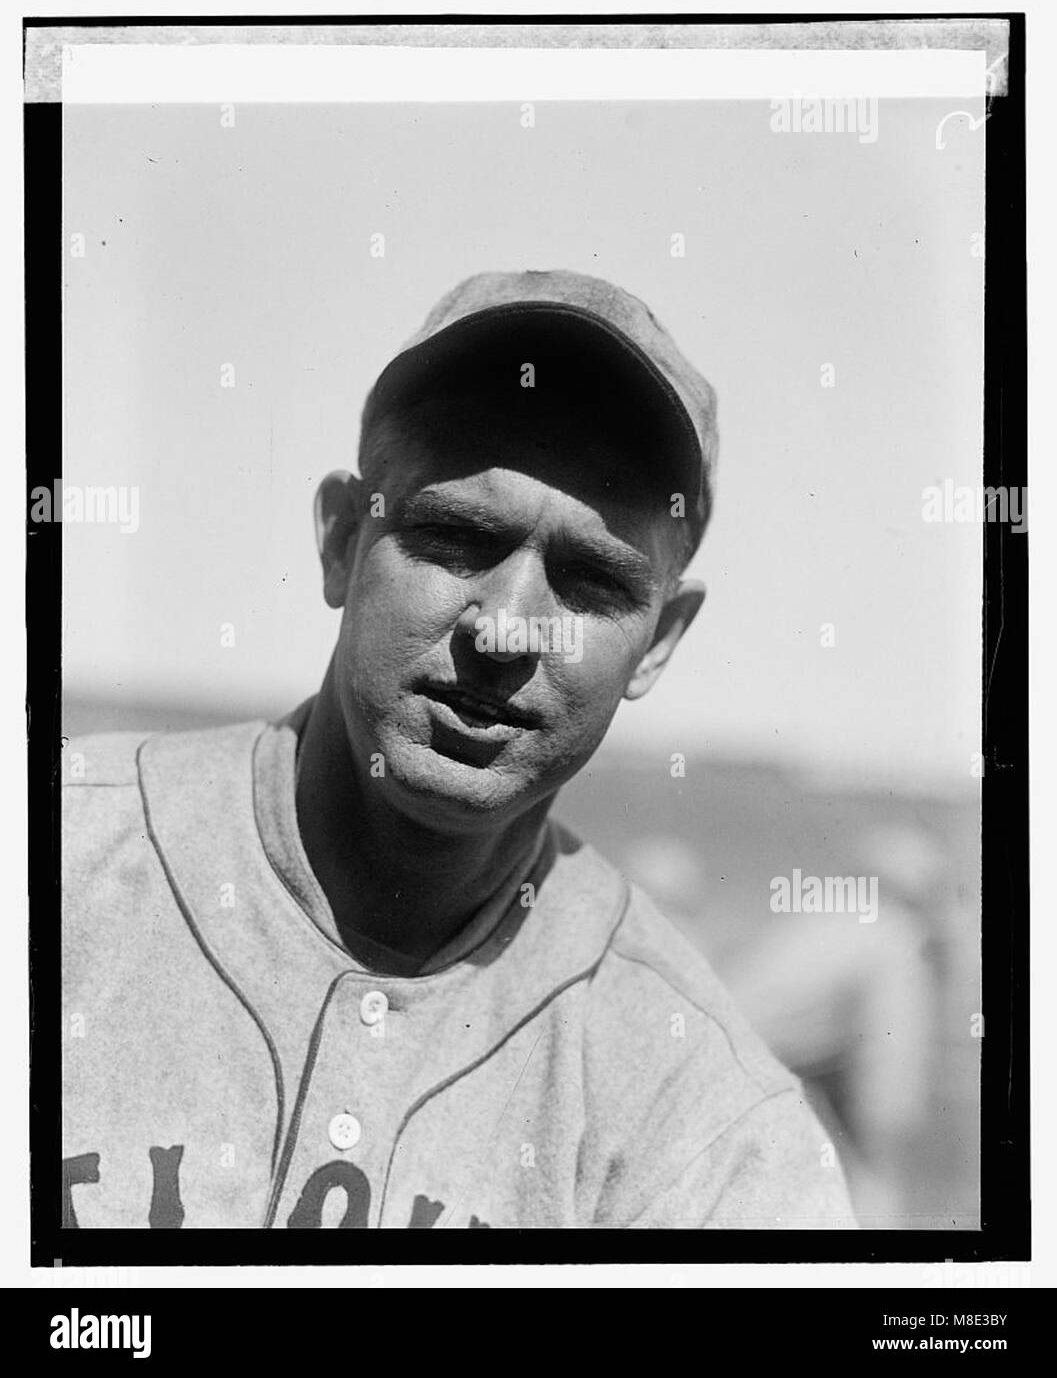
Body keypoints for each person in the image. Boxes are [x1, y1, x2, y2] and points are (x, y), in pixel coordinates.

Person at [61, 270, 857, 1229]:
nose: (508, 630)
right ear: (344, 540)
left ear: (657, 641)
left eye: (590, 583)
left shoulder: (705, 1127)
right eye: (457, 539)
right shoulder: (59, 860)